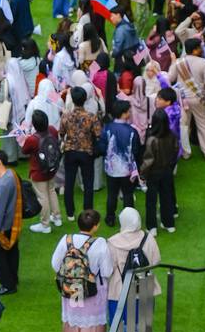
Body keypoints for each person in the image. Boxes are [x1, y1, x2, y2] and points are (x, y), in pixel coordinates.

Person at [51, 208, 112, 332]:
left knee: (73, 317)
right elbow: (106, 271)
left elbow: (55, 264)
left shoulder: (67, 239)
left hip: (71, 288)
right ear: (96, 226)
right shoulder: (100, 243)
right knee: (91, 319)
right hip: (93, 289)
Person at [167, 36, 205, 160]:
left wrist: (173, 62)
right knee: (203, 124)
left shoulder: (178, 62)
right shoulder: (203, 62)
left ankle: (185, 153)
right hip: (198, 98)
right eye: (200, 47)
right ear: (195, 49)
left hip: (183, 99)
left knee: (184, 126)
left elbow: (170, 78)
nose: (202, 49)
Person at [58, 85, 101, 222]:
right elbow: (98, 134)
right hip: (86, 152)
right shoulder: (91, 117)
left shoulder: (66, 116)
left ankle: (70, 213)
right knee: (88, 183)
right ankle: (87, 212)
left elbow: (61, 133)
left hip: (70, 152)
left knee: (69, 182)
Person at [0, 147, 23, 296]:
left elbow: (0, 210)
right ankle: (13, 279)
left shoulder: (3, 183)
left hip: (3, 226)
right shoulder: (10, 174)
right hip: (12, 223)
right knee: (12, 252)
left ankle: (7, 284)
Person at [100, 99, 142, 227]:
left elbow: (102, 148)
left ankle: (110, 218)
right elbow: (136, 151)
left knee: (112, 194)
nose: (130, 113)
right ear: (124, 113)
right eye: (129, 111)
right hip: (127, 170)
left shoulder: (107, 129)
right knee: (128, 194)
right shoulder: (132, 131)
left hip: (111, 169)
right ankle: (129, 220)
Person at [21, 109, 61, 233]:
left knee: (42, 196)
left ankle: (45, 225)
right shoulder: (53, 130)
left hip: (38, 171)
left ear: (34, 124)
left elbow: (24, 151)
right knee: (51, 191)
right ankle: (57, 217)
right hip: (52, 168)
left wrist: (26, 138)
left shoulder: (32, 139)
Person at [140, 107, 179, 233]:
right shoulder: (172, 136)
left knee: (151, 201)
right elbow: (175, 152)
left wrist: (143, 174)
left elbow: (148, 160)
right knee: (166, 197)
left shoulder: (152, 139)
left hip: (154, 173)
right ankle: (168, 224)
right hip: (167, 171)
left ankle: (152, 227)